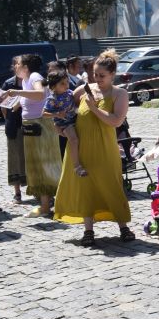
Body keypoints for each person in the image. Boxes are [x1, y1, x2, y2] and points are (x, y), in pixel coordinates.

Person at [53, 50, 133, 246]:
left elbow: (115, 121)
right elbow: (65, 113)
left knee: (112, 186)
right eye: (95, 74)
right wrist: (61, 128)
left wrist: (95, 107)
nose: (97, 79)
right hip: (82, 149)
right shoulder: (82, 90)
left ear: (112, 75)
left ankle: (123, 226)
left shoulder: (119, 94)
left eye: (102, 75)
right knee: (86, 188)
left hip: (105, 149)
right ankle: (88, 230)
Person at [2, 53, 61, 218]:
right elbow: (24, 103)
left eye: (18, 64)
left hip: (40, 126)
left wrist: (16, 92)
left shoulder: (34, 77)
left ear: (26, 67)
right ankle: (45, 205)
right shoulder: (26, 81)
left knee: (44, 164)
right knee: (37, 166)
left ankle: (47, 205)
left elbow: (40, 94)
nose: (15, 66)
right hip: (32, 127)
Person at [43, 69, 87, 178]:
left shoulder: (69, 93)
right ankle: (77, 166)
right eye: (62, 83)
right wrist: (57, 114)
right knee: (74, 139)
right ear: (53, 87)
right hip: (65, 123)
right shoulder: (52, 99)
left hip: (75, 119)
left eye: (67, 82)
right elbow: (44, 113)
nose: (66, 85)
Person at [2, 59, 27, 204]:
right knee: (14, 157)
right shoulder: (8, 84)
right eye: (19, 65)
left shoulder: (30, 82)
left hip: (28, 123)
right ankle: (17, 192)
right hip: (13, 124)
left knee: (29, 157)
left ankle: (35, 189)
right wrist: (9, 119)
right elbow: (3, 108)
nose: (21, 68)